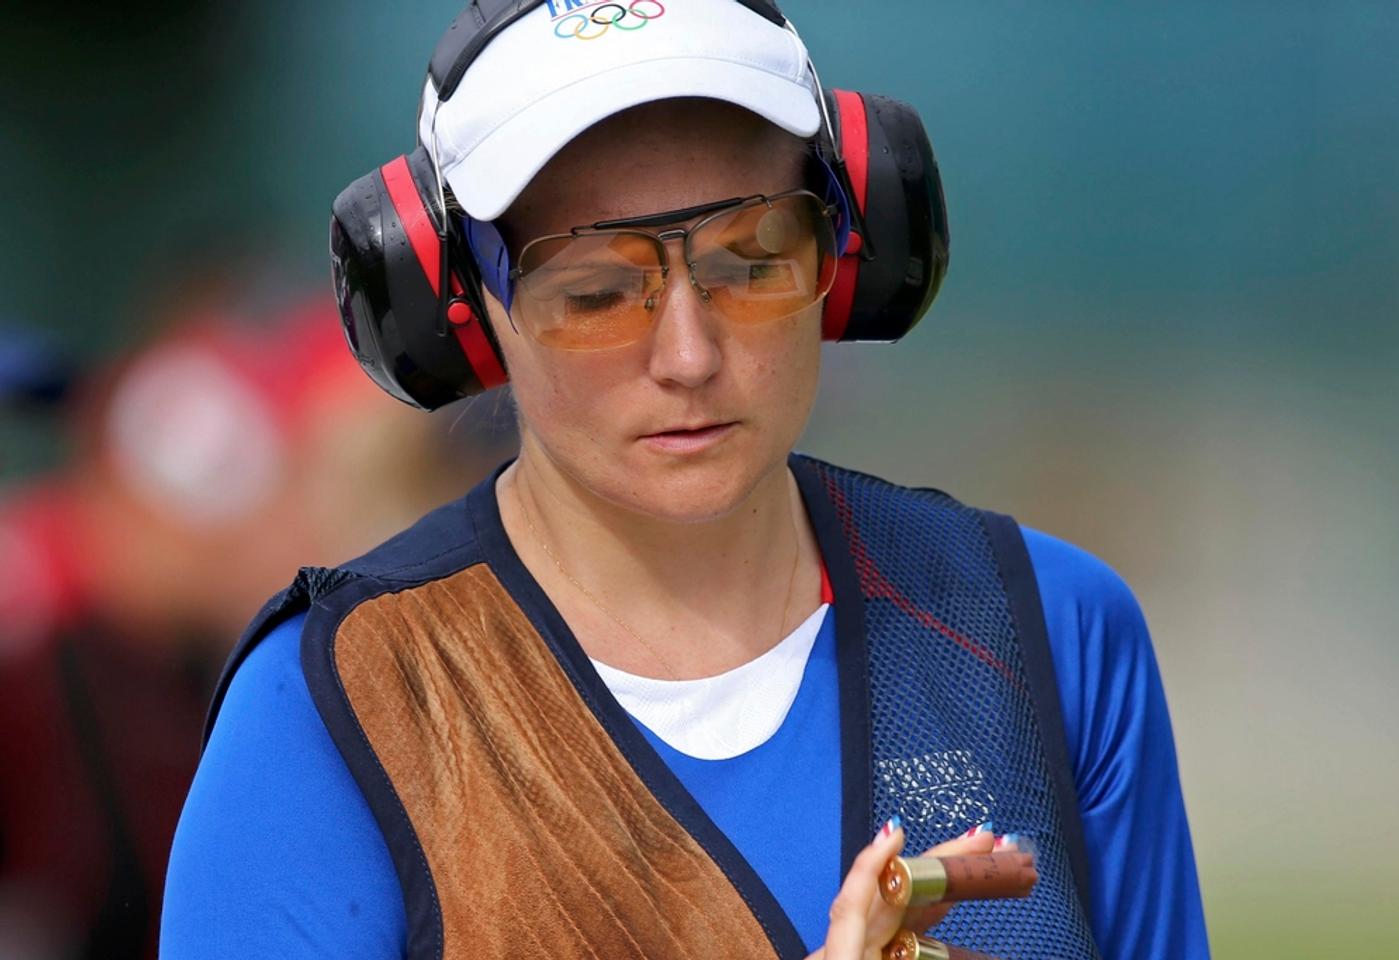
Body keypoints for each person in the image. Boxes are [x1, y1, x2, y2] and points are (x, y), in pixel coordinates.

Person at [161, 2, 1208, 957]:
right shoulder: (333, 707)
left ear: (851, 250)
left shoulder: (1045, 632)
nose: (690, 355)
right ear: (460, 307)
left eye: (751, 262)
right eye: (599, 288)